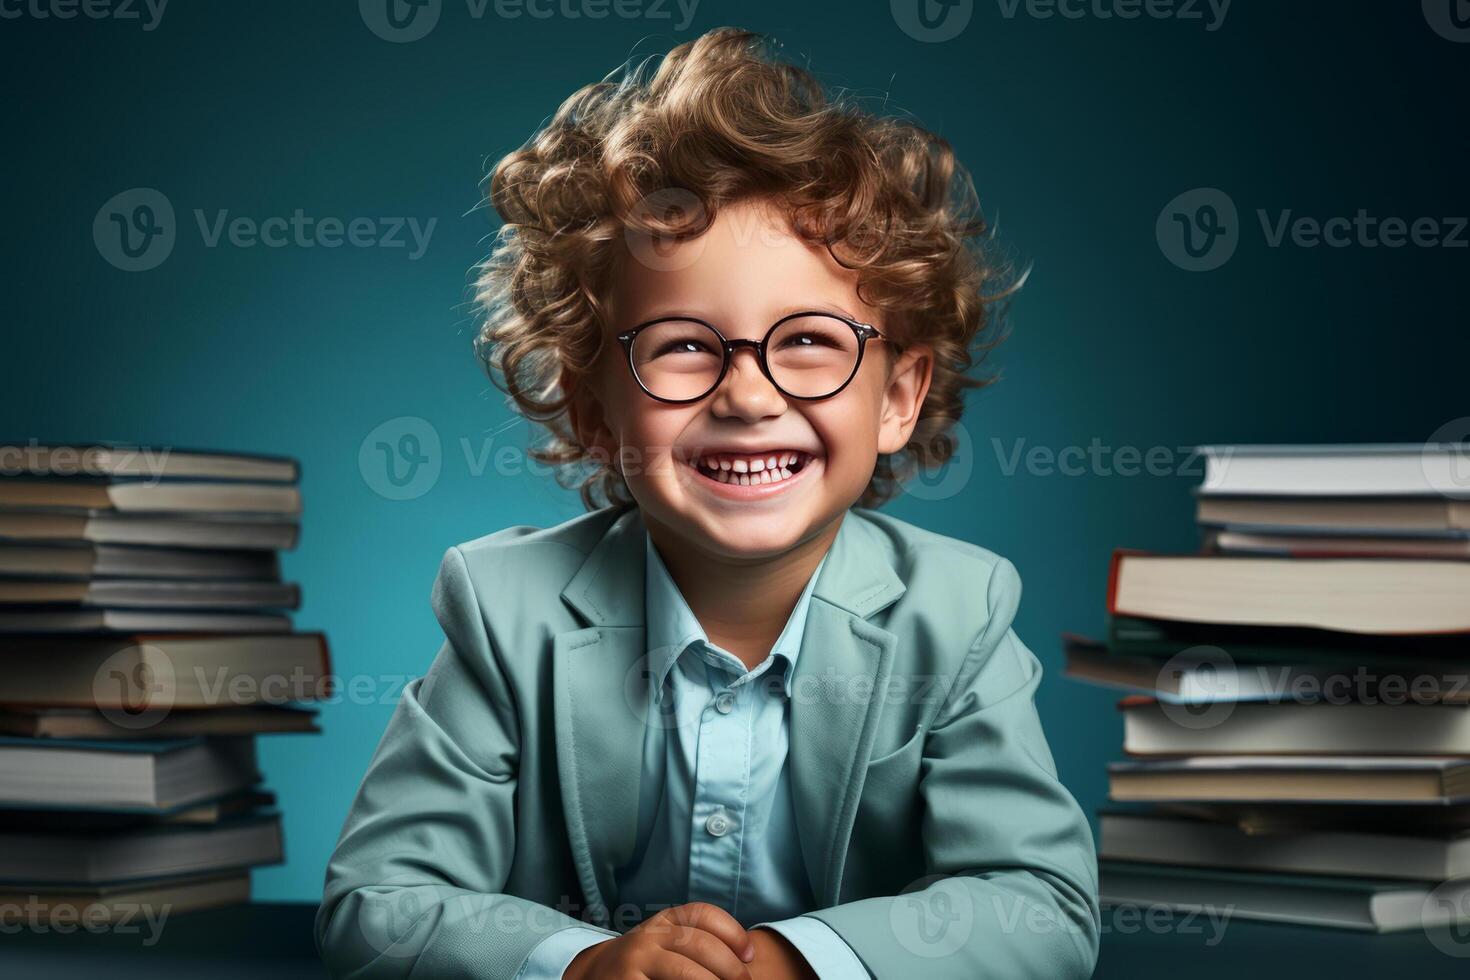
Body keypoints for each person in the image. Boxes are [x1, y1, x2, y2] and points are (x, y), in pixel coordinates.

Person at [316, 26, 1099, 979]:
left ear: (897, 398)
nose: (749, 395)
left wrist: (803, 962)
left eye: (810, 339)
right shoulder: (504, 612)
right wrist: (578, 967)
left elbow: (1040, 908)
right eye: (683, 345)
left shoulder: (957, 617)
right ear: (591, 408)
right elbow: (377, 906)